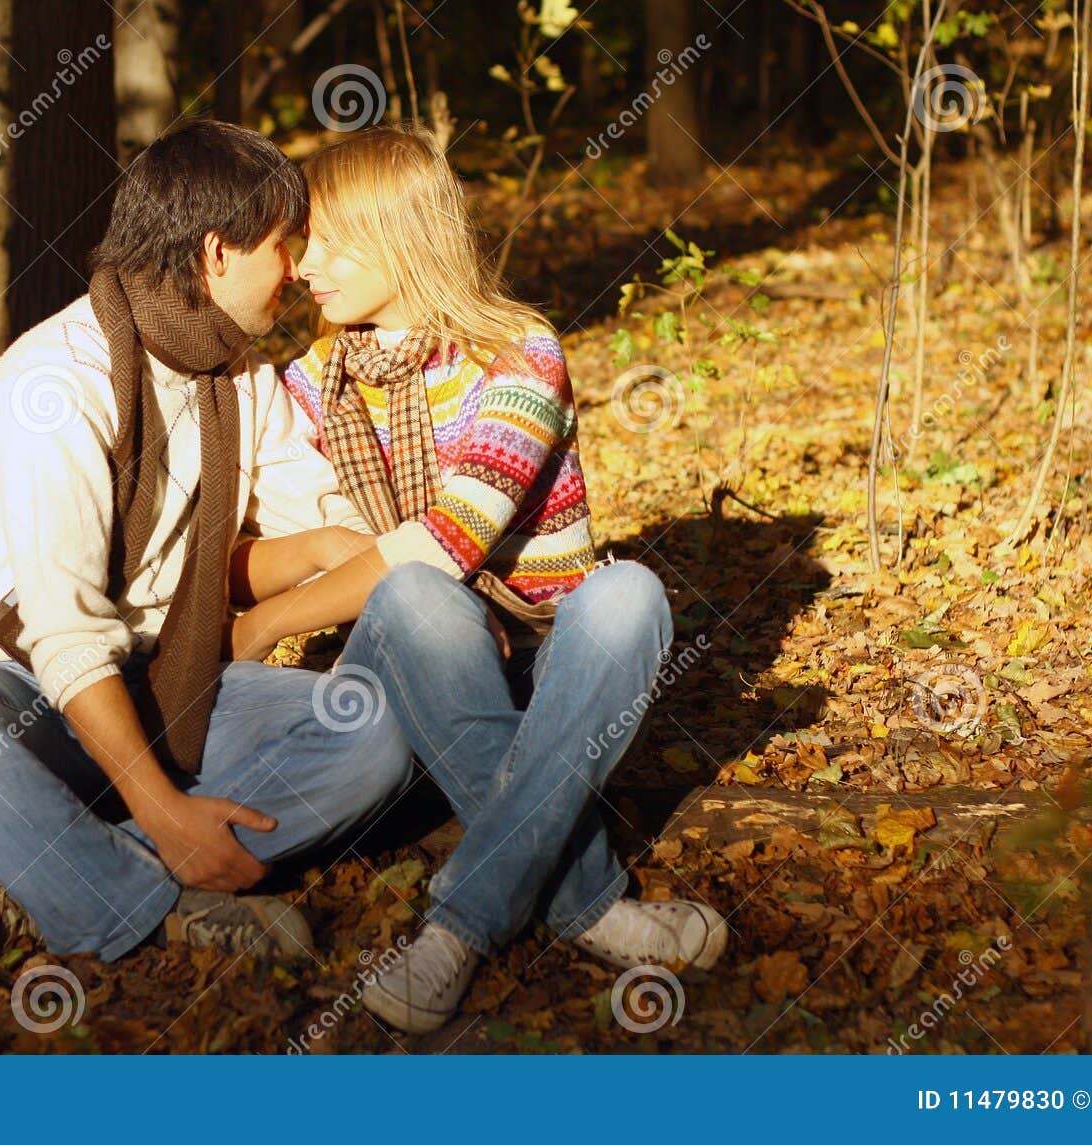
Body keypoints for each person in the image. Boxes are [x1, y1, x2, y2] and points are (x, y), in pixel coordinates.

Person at [0, 120, 412, 965]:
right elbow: (65, 634)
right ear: (217, 254)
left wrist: (402, 549)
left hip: (176, 684)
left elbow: (336, 522)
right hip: (26, 698)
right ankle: (136, 887)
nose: (295, 270)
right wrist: (161, 804)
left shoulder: (243, 382)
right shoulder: (55, 387)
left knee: (381, 728)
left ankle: (67, 866)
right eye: (280, 246)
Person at [226, 124, 726, 1033]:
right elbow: (339, 555)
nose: (305, 266)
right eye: (307, 242)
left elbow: (451, 535)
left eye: (332, 241)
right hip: (404, 668)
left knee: (630, 596)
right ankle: (590, 904)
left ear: (403, 239)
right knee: (418, 599)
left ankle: (459, 926)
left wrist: (263, 627)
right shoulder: (304, 385)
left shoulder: (519, 353)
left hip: (538, 660)